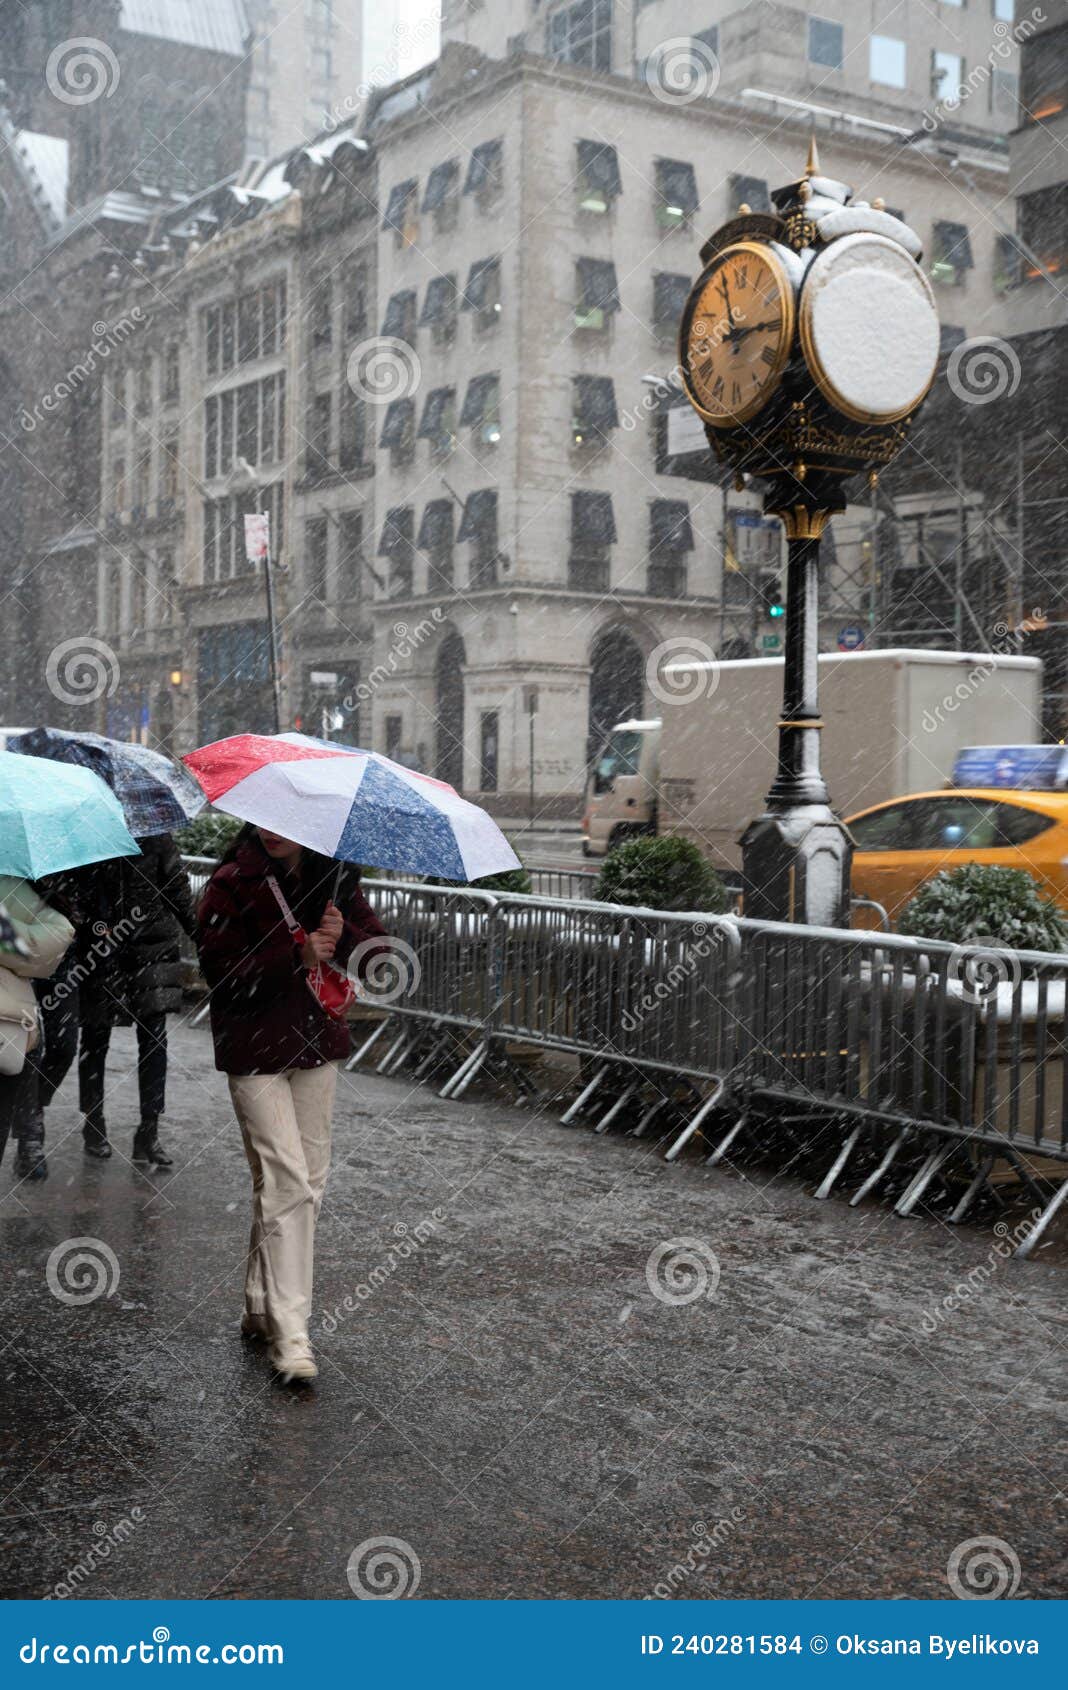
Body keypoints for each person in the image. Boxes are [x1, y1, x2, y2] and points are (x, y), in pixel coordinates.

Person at [197, 824, 387, 1384]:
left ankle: (260, 1303)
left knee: (307, 1182)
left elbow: (379, 953)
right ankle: (292, 1336)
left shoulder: (337, 879)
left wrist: (343, 933)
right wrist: (294, 955)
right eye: (264, 821)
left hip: (315, 1044)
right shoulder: (232, 882)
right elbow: (219, 973)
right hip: (253, 1049)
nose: (272, 833)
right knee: (287, 1183)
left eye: (287, 823)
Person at [67, 835, 197, 1166]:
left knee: (154, 1040)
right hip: (102, 951)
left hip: (152, 949)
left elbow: (179, 891)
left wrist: (207, 941)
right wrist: (96, 927)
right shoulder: (90, 831)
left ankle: (149, 1131)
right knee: (95, 1037)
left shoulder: (158, 836)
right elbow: (70, 892)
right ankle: (93, 1122)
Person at [0, 878, 75, 1171]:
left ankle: (30, 1128)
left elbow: (58, 934)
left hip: (6, 1024)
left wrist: (5, 932)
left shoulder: (11, 883)